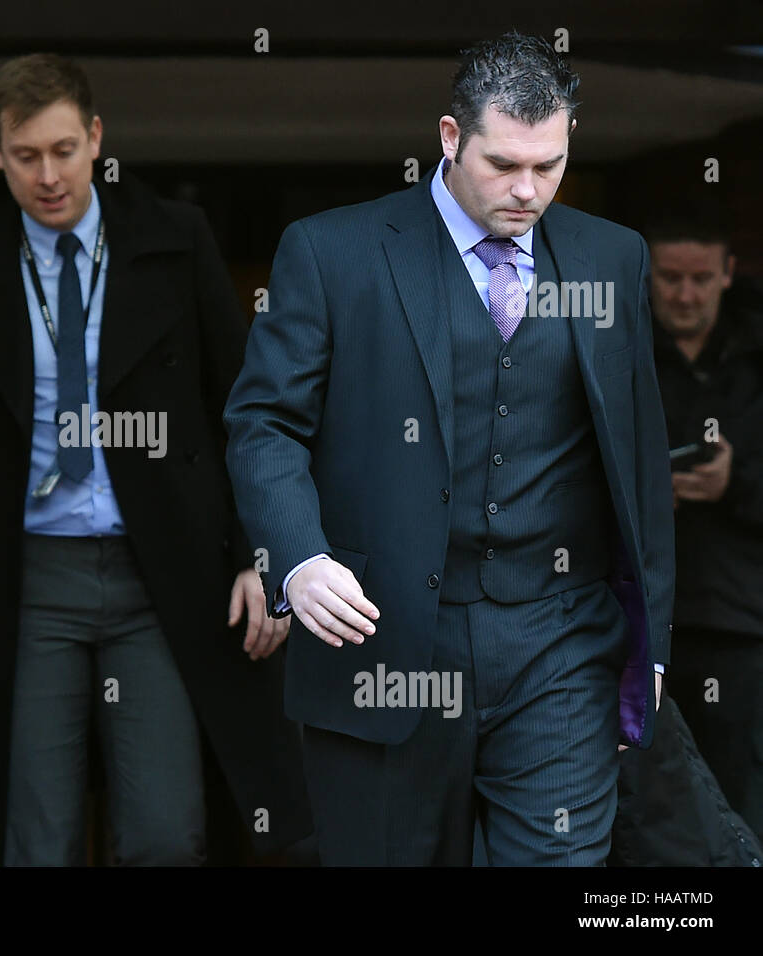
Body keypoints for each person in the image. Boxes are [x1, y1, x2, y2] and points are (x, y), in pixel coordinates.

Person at [224, 32, 674, 865]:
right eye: (504, 164)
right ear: (448, 137)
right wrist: (298, 559)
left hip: (561, 640)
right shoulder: (333, 252)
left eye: (551, 165)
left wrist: (652, 647)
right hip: (384, 639)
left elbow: (641, 462)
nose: (529, 190)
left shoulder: (611, 259)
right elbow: (264, 424)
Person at [0, 53, 312, 865]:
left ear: (96, 137)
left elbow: (243, 403)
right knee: (35, 833)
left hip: (163, 571)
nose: (49, 175)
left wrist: (258, 555)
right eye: (27, 156)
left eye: (64, 149)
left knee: (166, 828)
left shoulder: (173, 238)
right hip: (22, 577)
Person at [646, 208, 763, 841]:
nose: (685, 294)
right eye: (670, 278)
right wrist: (642, 497)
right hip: (640, 621)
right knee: (650, 804)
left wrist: (735, 484)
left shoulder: (757, 361)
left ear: (727, 274)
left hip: (741, 623)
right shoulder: (619, 351)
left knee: (741, 792)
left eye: (699, 278)